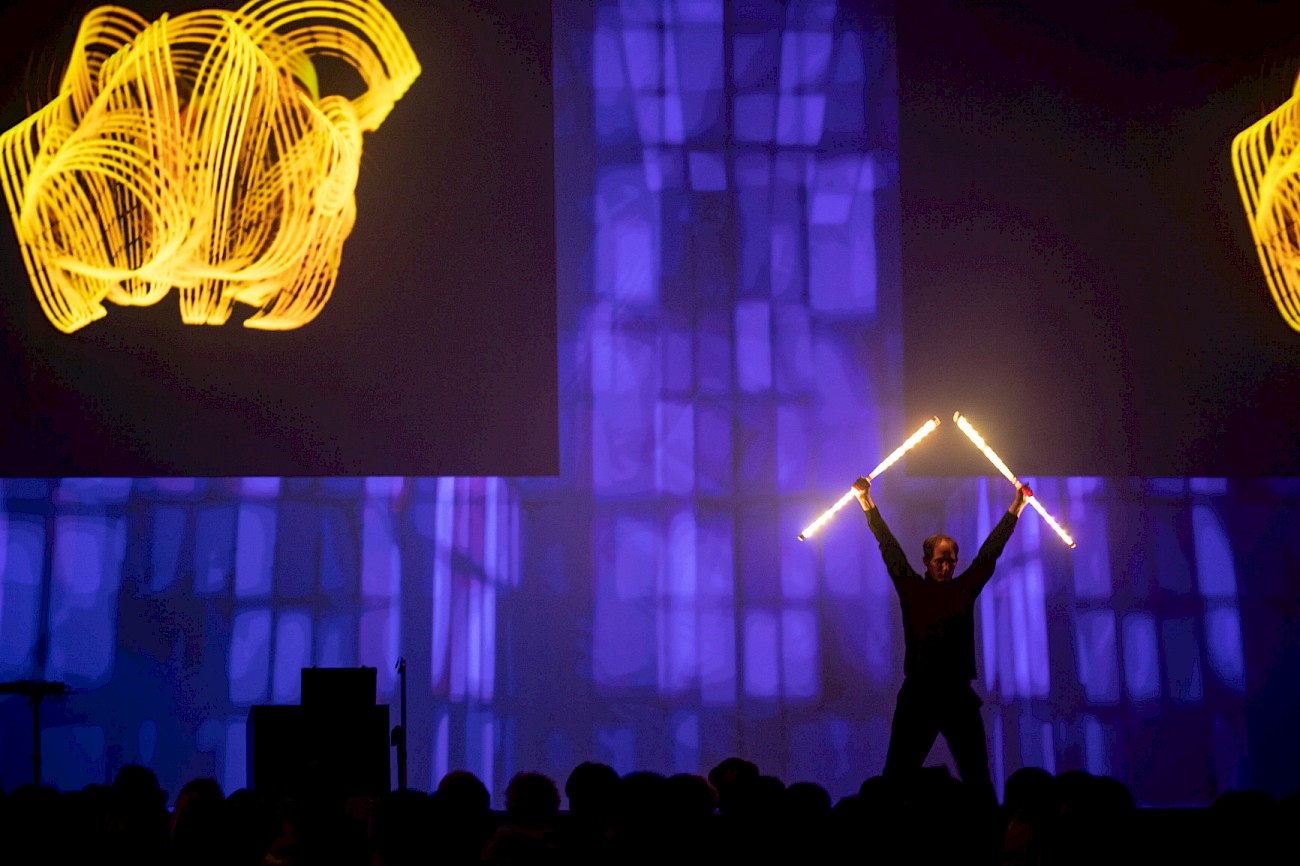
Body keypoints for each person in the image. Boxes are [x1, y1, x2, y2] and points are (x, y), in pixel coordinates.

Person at [852, 475, 1030, 807]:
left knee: (977, 776)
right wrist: (866, 502)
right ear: (927, 562)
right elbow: (889, 548)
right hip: (919, 694)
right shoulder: (912, 588)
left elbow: (989, 554)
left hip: (956, 694)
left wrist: (1016, 506)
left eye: (950, 560)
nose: (946, 566)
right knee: (896, 776)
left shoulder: (963, 590)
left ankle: (995, 841)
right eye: (939, 560)